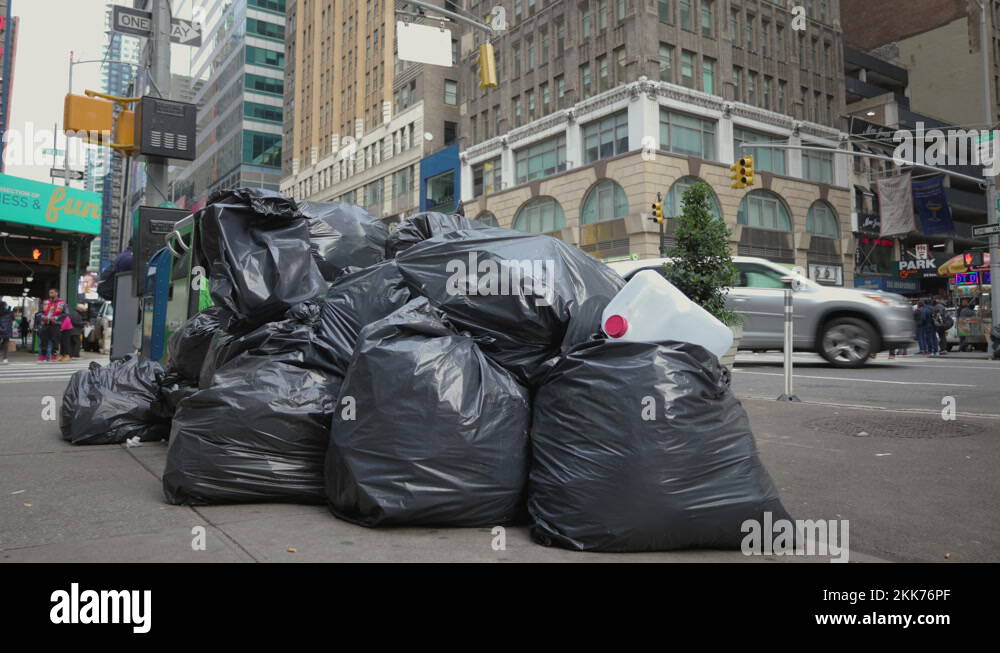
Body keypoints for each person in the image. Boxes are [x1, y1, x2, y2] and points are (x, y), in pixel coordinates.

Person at [38, 289, 67, 362]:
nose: (50, 294)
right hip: (45, 323)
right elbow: (40, 313)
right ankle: (43, 357)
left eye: (52, 292)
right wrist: (43, 317)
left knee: (55, 341)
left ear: (57, 293)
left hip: (55, 324)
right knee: (43, 341)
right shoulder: (46, 302)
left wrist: (56, 317)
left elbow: (66, 313)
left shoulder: (62, 303)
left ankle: (54, 357)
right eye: (49, 293)